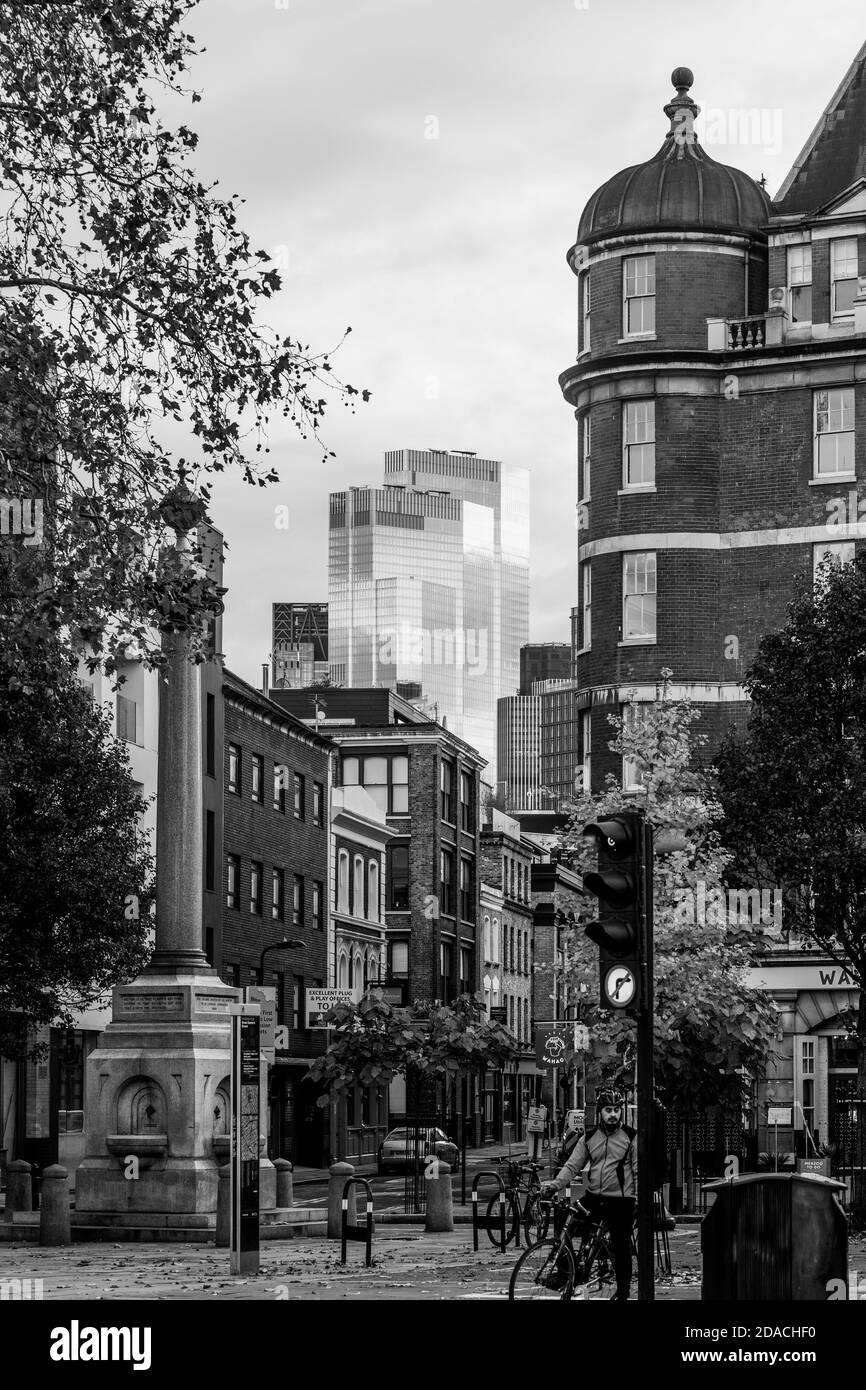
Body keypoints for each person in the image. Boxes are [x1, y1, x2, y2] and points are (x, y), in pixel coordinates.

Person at [541, 1086, 637, 1301]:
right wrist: (555, 1185)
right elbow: (572, 1165)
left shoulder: (630, 1137)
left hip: (621, 1200)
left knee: (621, 1247)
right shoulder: (590, 1137)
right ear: (600, 1112)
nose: (613, 1114)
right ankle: (568, 1273)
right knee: (565, 1221)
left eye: (616, 1110)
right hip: (594, 1197)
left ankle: (623, 1292)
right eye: (608, 1110)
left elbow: (638, 1170)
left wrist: (637, 1200)